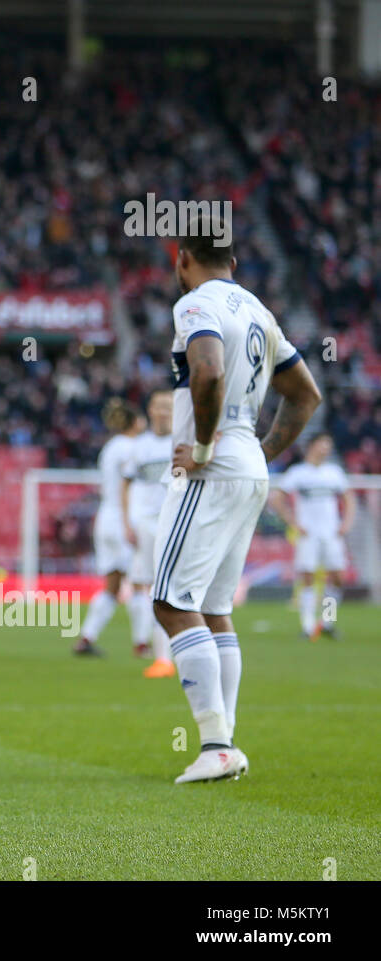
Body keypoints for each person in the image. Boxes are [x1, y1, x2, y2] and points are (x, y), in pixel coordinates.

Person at [155, 229, 320, 784]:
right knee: (215, 607)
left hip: (211, 469)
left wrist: (203, 449)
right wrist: (261, 451)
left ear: (183, 261)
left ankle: (217, 744)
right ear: (235, 259)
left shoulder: (194, 303)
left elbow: (208, 371)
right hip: (248, 465)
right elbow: (306, 394)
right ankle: (224, 742)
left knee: (172, 604)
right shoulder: (259, 310)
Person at [270, 433, 355, 640]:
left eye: (328, 445)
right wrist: (293, 522)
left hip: (331, 532)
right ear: (312, 446)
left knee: (336, 577)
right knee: (307, 577)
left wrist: (346, 523)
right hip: (308, 534)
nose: (325, 449)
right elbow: (277, 498)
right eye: (322, 444)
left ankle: (326, 622)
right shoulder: (299, 473)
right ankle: (308, 626)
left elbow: (349, 497)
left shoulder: (333, 473)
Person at [72, 399, 139, 656]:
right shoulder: (132, 448)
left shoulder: (109, 448)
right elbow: (129, 485)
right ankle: (143, 643)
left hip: (105, 517)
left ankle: (86, 638)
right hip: (125, 519)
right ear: (136, 422)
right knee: (141, 582)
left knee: (112, 584)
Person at [121, 391, 176, 677]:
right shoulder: (138, 447)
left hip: (174, 522)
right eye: (159, 406)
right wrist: (127, 523)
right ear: (150, 411)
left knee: (163, 587)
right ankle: (159, 653)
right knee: (150, 586)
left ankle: (165, 654)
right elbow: (126, 484)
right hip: (145, 524)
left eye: (168, 406)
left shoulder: (183, 443)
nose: (163, 411)